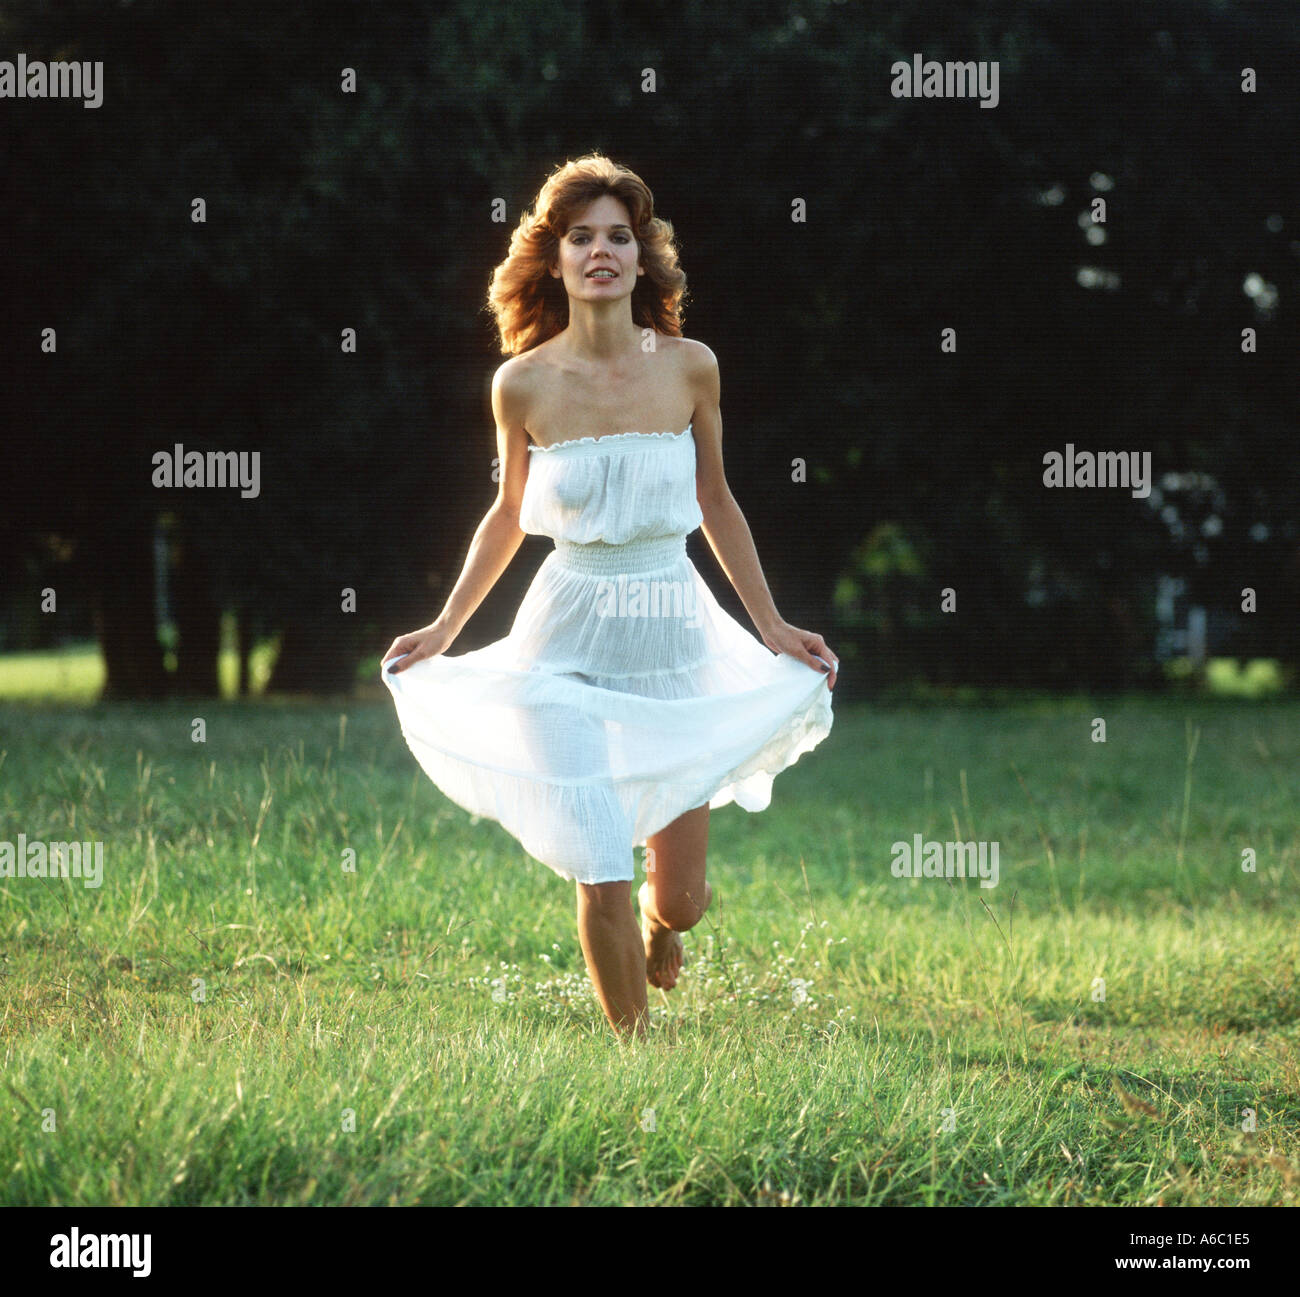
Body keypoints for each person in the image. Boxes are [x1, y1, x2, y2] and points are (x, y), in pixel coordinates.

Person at [381, 153, 837, 1039]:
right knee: (600, 870)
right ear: (553, 259)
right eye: (582, 237)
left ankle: (666, 932)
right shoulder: (521, 383)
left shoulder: (691, 367)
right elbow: (508, 515)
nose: (602, 252)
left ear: (642, 257)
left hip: (673, 631)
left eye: (619, 237)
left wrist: (773, 624)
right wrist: (445, 626)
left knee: (686, 900)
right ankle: (638, 1067)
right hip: (564, 641)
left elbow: (716, 502)